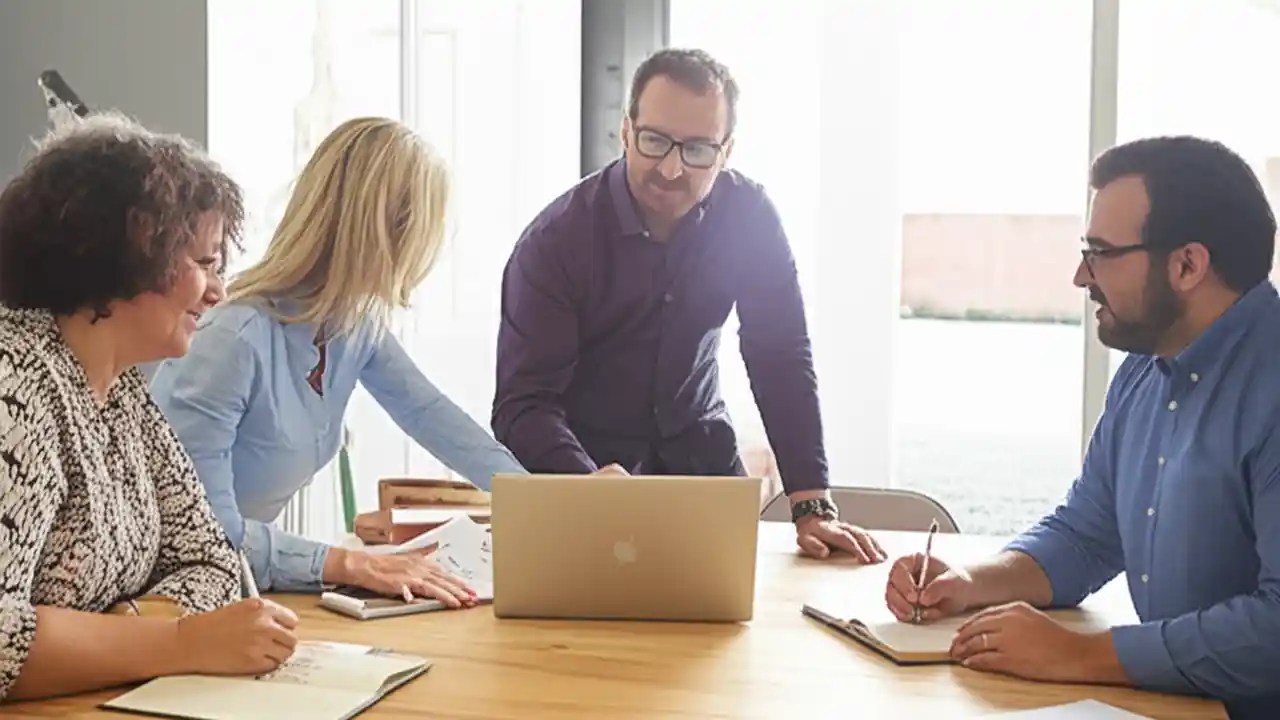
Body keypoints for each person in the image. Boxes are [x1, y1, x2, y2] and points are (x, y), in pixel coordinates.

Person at [884, 136, 1280, 719]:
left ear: (1187, 265)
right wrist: (971, 583)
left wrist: (1084, 655)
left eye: (1099, 252)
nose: (1079, 276)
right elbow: (1089, 534)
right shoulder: (1146, 370)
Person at [149, 117, 614, 602]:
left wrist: (539, 500)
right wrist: (349, 563)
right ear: (388, 233)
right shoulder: (232, 341)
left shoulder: (353, 325)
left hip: (243, 591)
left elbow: (430, 414)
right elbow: (206, 534)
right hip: (175, 596)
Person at [491, 48, 884, 563]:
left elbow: (780, 355)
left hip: (705, 468)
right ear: (626, 131)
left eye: (698, 149)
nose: (672, 169)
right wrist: (583, 479)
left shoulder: (750, 216)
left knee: (731, 631)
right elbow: (523, 404)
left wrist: (811, 504)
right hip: (586, 477)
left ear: (727, 152)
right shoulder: (555, 242)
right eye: (655, 142)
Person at [0, 114, 297, 702]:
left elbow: (216, 564)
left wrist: (122, 628)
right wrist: (181, 644)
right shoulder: (16, 383)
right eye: (205, 264)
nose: (219, 292)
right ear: (135, 251)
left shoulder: (123, 390)